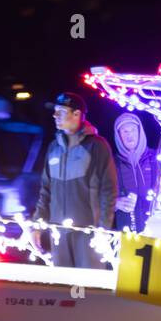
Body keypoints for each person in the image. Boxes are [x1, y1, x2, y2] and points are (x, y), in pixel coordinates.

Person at [32, 92, 118, 268]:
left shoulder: (97, 146)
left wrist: (103, 229)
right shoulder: (53, 147)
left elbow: (109, 191)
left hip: (88, 233)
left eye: (61, 111)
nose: (55, 116)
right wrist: (37, 226)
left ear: (77, 114)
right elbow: (45, 191)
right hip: (58, 233)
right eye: (55, 111)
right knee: (63, 288)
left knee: (88, 289)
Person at [112, 111, 159, 233]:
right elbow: (98, 195)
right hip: (127, 231)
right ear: (118, 136)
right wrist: (115, 203)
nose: (129, 135)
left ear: (140, 132)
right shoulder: (111, 163)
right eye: (124, 131)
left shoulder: (158, 157)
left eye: (133, 130)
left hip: (158, 229)